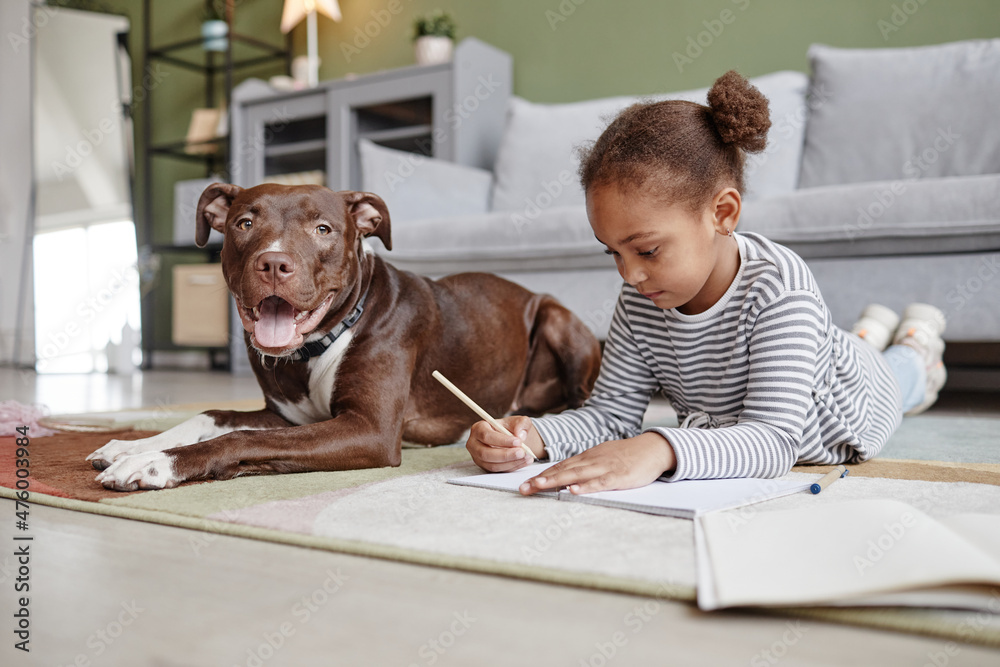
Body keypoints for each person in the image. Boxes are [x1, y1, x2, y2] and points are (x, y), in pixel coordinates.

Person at [465, 70, 947, 496]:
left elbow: (774, 442)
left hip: (857, 403)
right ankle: (868, 332)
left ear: (722, 213)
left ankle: (914, 350)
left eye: (647, 250)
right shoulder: (641, 299)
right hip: (819, 356)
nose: (629, 275)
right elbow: (610, 417)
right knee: (841, 344)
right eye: (613, 251)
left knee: (897, 377)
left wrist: (657, 448)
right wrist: (533, 436)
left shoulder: (780, 288)